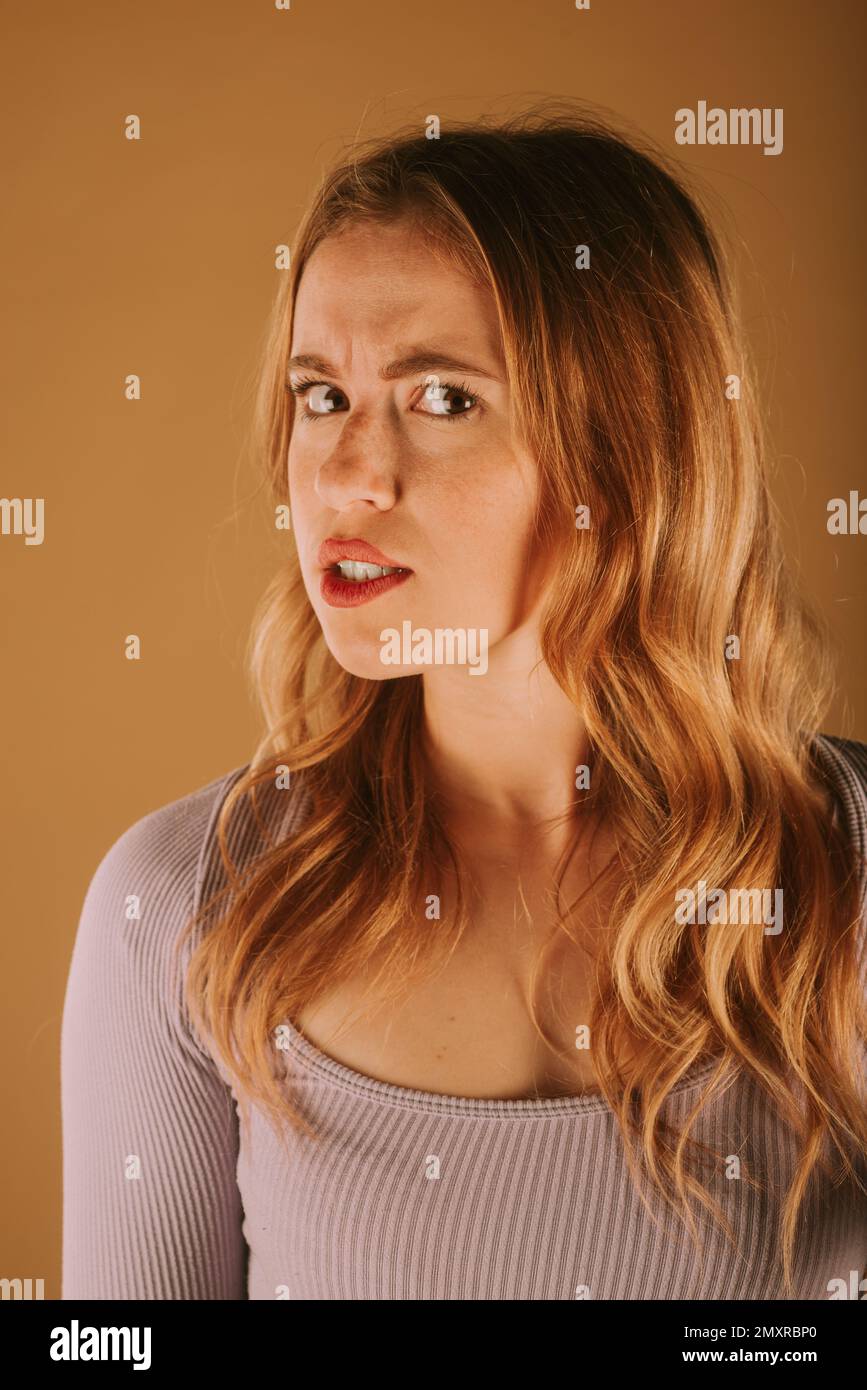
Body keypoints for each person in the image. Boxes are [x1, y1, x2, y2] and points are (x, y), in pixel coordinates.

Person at [61, 106, 867, 1301]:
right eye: (321, 394)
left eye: (441, 400)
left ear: (629, 449)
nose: (343, 473)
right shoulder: (178, 908)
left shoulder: (844, 870)